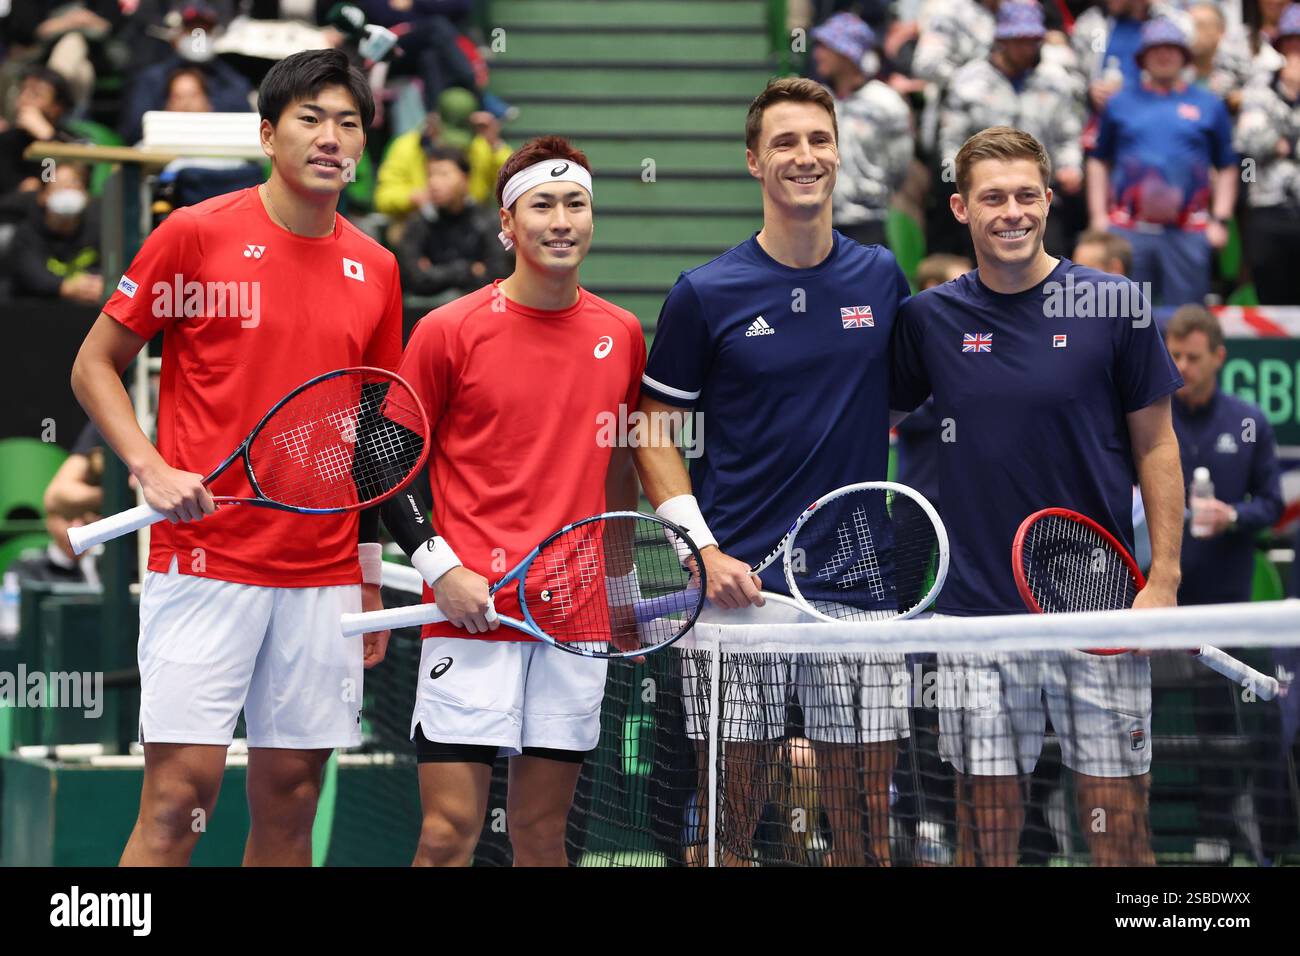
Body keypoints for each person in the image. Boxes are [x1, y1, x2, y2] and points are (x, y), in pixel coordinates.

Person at [70, 48, 399, 867]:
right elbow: (93, 364)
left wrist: (365, 563)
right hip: (205, 562)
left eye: (348, 122)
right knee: (178, 803)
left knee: (291, 806)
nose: (331, 138)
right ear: (267, 133)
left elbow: (373, 429)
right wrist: (148, 465)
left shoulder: (380, 269)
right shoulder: (193, 235)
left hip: (322, 576)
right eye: (311, 119)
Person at [634, 77, 912, 866]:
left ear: (838, 153)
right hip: (739, 593)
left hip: (859, 591)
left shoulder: (881, 279)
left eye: (819, 140)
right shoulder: (704, 293)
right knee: (729, 821)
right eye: (786, 143)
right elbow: (652, 430)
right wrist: (702, 550)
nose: (805, 156)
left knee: (863, 827)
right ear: (755, 161)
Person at [890, 126, 1185, 866]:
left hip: (1100, 609)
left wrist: (1165, 578)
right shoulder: (928, 321)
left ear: (1051, 200)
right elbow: (868, 421)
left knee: (1117, 831)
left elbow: (1157, 444)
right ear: (960, 208)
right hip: (977, 619)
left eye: (1027, 194)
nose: (1012, 211)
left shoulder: (1116, 305)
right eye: (993, 197)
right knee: (986, 838)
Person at [379, 136, 645, 867]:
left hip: (576, 619)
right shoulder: (447, 331)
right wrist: (442, 570)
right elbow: (386, 468)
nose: (561, 220)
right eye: (543, 205)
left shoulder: (620, 334)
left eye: (576, 204)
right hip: (472, 610)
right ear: (507, 222)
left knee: (539, 837)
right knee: (445, 836)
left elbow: (619, 470)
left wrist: (618, 588)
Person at [1165, 304, 1283, 862]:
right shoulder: (1150, 416)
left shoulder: (1248, 421)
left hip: (1224, 611)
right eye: (1175, 355)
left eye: (1193, 357)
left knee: (1220, 730)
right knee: (1145, 727)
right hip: (1156, 607)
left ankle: (1217, 835)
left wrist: (1233, 517)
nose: (1182, 366)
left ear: (1219, 357)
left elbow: (1273, 504)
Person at [1086, 17, 1239, 307]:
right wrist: (1098, 217)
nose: (1164, 54)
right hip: (1128, 229)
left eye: (1172, 48)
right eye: (1156, 48)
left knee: (1187, 318)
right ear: (1143, 57)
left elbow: (1228, 165)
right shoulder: (1119, 103)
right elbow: (1098, 161)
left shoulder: (1209, 104)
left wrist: (1220, 220)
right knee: (1122, 315)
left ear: (1184, 55)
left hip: (1188, 232)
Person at [940, 2, 1086, 255]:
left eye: (1032, 40)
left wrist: (1071, 166)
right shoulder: (968, 82)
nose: (1025, 48)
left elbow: (1068, 136)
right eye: (1018, 40)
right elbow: (950, 143)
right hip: (985, 194)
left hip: (1037, 195)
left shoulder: (1057, 81)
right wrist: (960, 180)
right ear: (1001, 40)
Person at [811, 12, 914, 248]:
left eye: (825, 47)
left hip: (868, 224)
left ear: (846, 52)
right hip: (819, 220)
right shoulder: (818, 100)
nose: (817, 55)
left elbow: (899, 167)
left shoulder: (886, 103)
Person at [1234, 3, 1300, 305]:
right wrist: (1288, 95)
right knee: (1273, 299)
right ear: (1282, 46)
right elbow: (1249, 142)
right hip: (1268, 208)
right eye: (1292, 41)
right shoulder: (1260, 85)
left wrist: (1283, 142)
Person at [396, 145, 510, 299]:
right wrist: (468, 269)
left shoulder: (488, 221)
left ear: (465, 178)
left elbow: (498, 275)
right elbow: (413, 279)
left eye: (444, 174)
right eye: (430, 175)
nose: (434, 182)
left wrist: (434, 272)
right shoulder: (418, 223)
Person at [8, 160, 103, 305]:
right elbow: (31, 276)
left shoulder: (99, 229)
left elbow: (113, 269)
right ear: (43, 196)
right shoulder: (26, 234)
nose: (68, 191)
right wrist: (65, 287)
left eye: (75, 186)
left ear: (86, 195)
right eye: (60, 186)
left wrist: (103, 285)